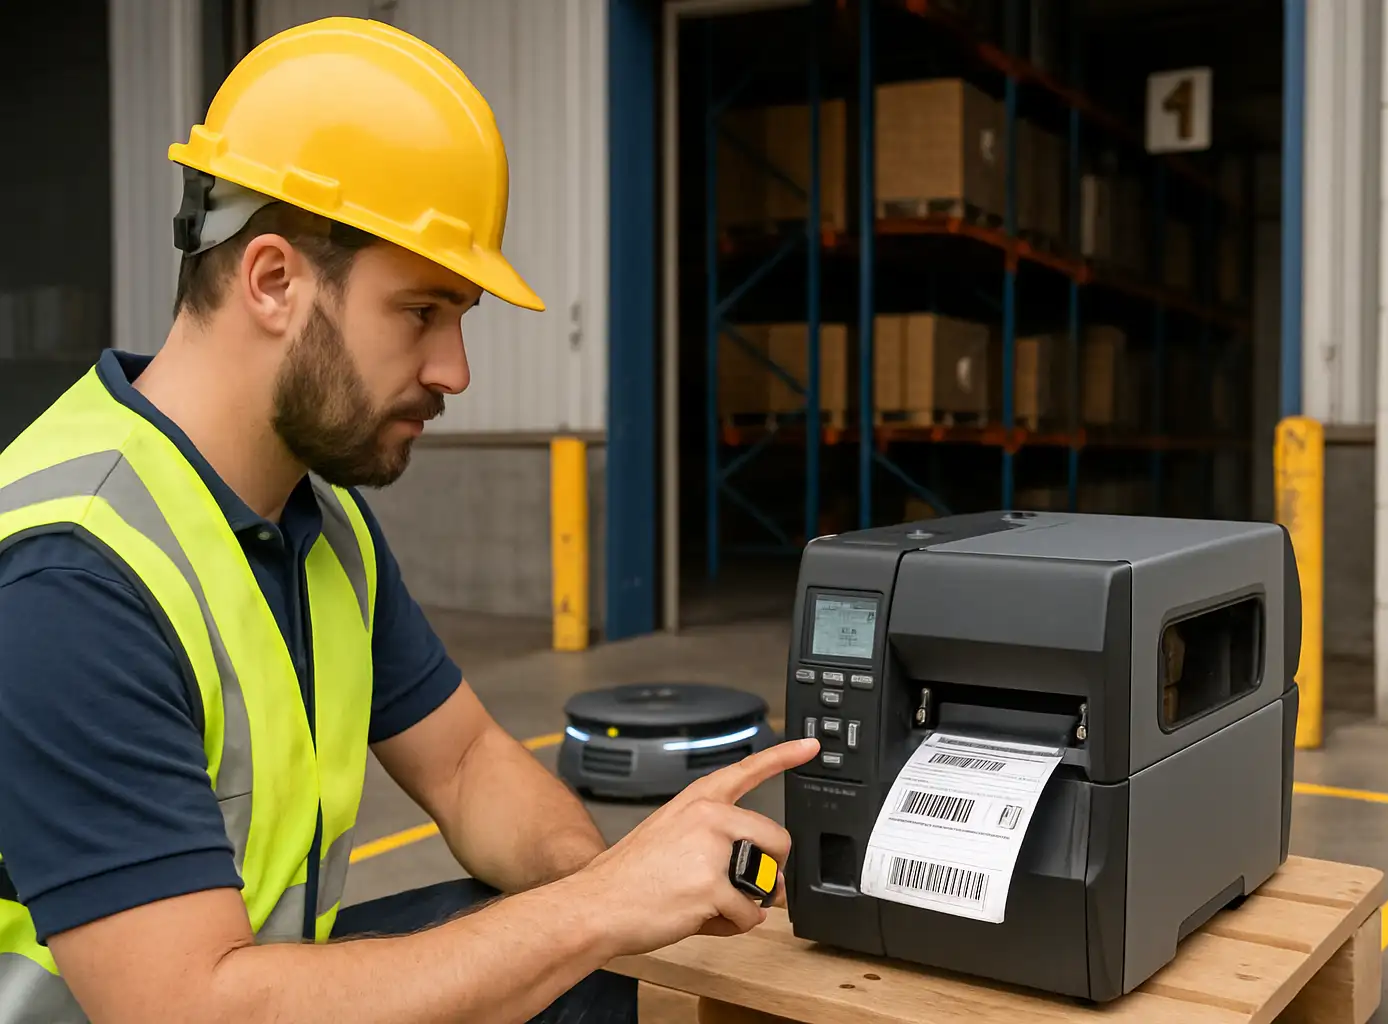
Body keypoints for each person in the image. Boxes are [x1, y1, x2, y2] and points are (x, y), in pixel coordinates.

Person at [0, 15, 819, 1024]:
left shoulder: (318, 522)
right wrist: (600, 908)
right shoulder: (70, 579)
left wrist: (625, 886)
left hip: (244, 983)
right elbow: (197, 1010)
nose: (456, 372)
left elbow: (471, 766)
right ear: (273, 281)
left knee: (577, 971)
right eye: (422, 312)